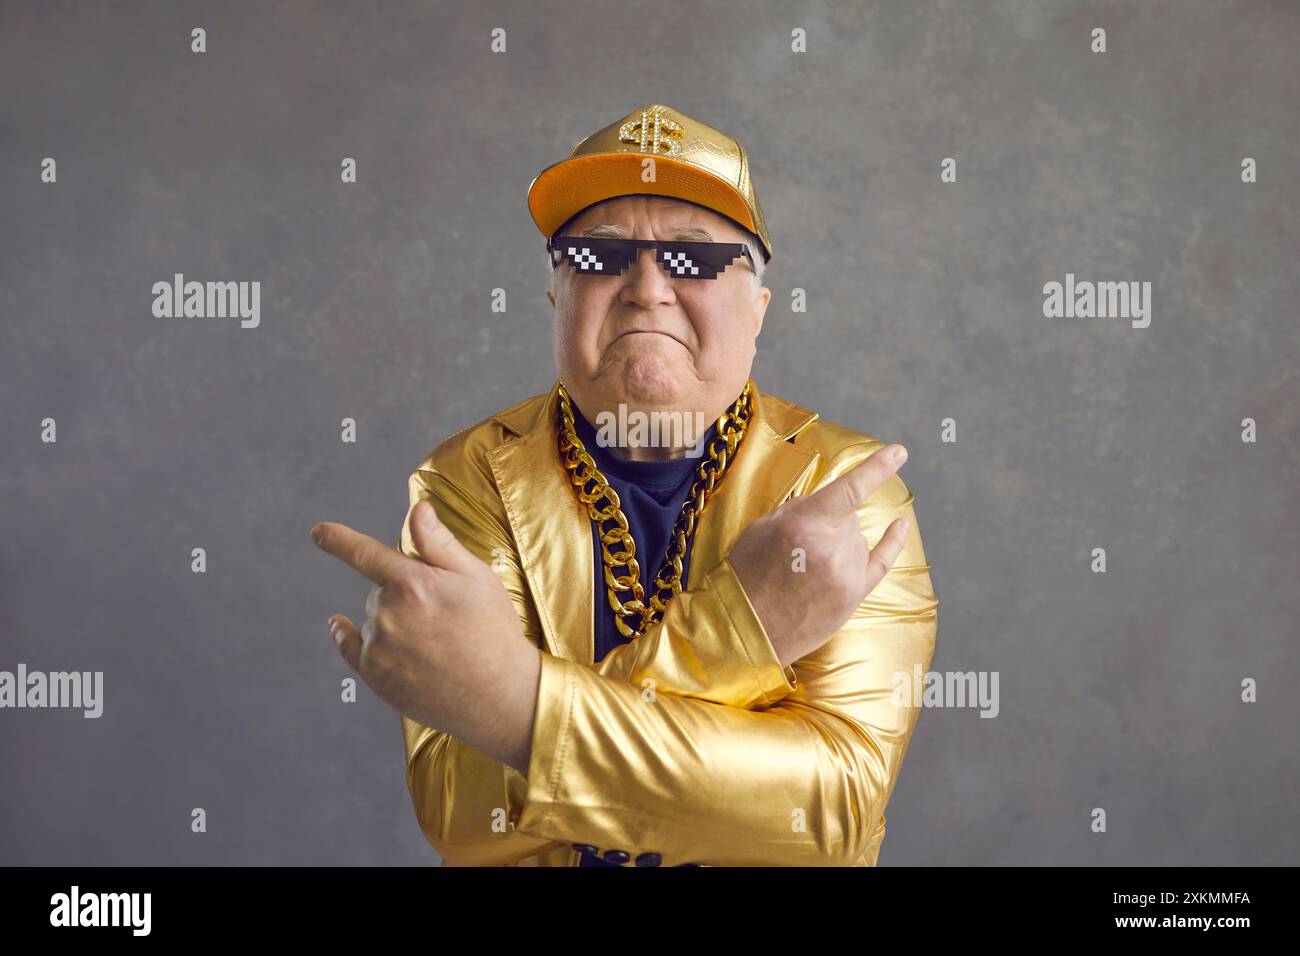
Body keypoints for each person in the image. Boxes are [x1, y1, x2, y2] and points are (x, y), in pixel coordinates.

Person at [311, 103, 938, 866]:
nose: (646, 287)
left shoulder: (842, 488)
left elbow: (832, 810)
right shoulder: (467, 482)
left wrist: (513, 706)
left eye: (694, 258)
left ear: (759, 308)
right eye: (599, 255)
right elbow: (463, 812)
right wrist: (744, 631)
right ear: (555, 298)